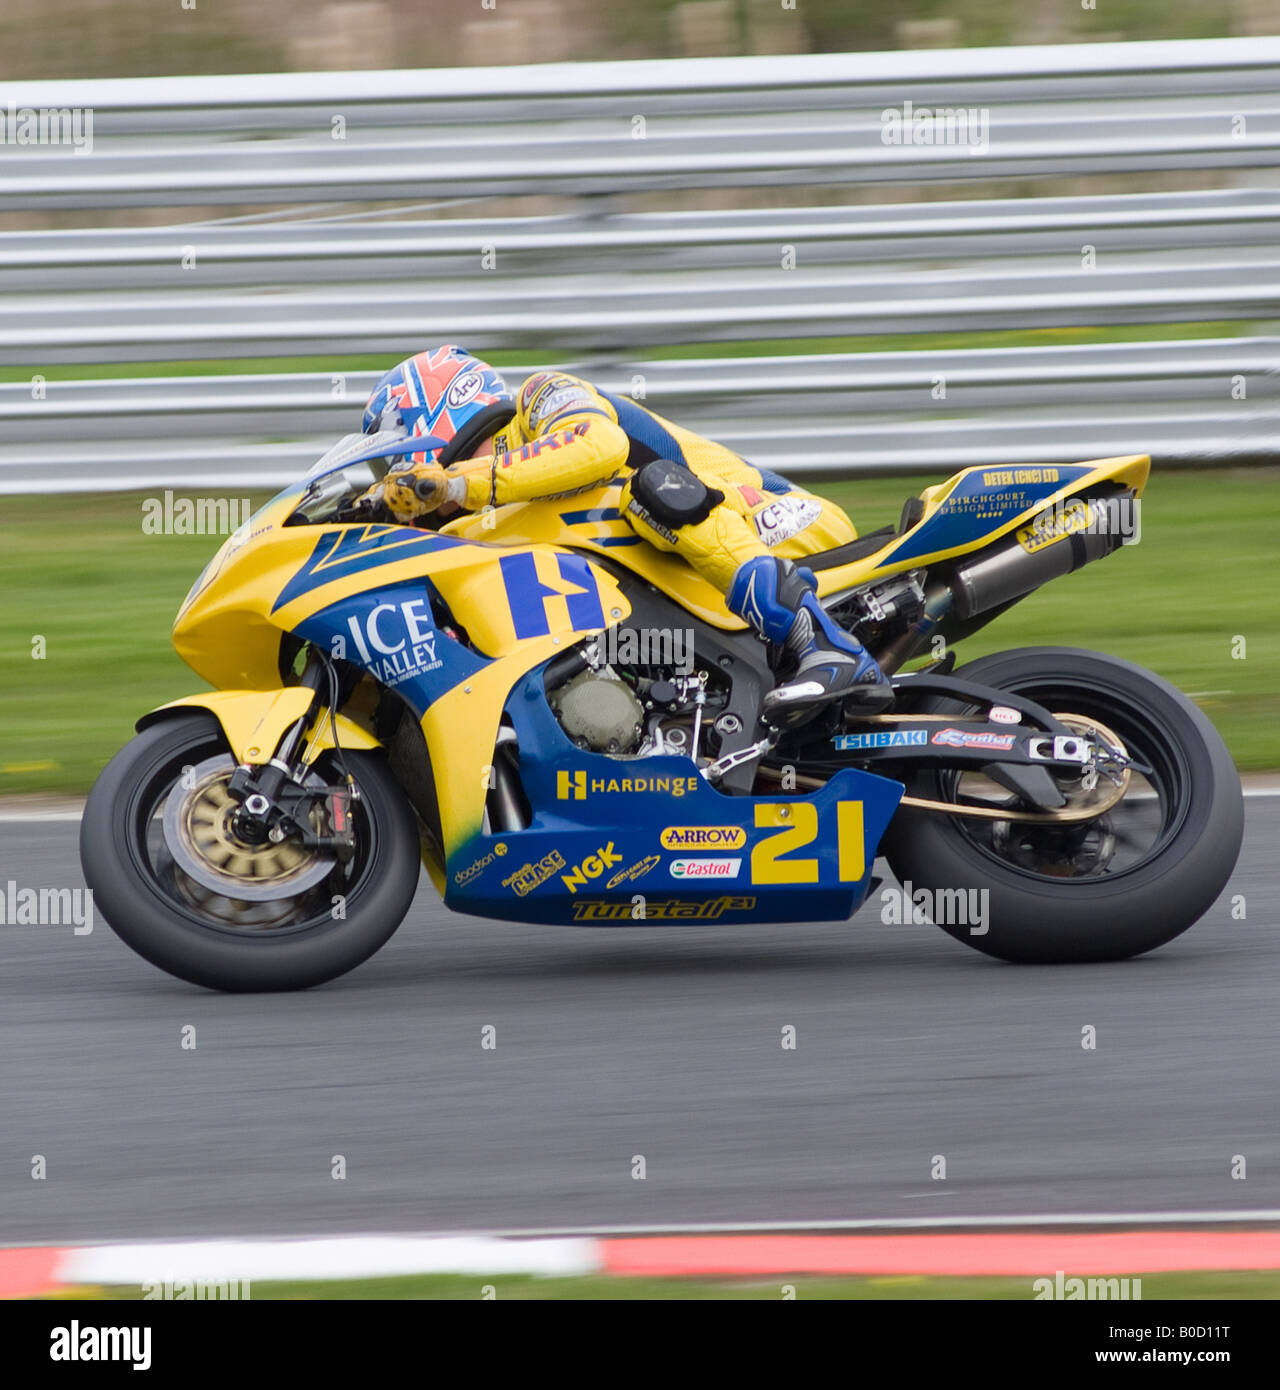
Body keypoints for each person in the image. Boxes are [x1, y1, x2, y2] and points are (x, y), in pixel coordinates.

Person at [353, 345, 893, 727]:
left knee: (646, 491)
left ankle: (822, 642)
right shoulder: (475, 522)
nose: (395, 486)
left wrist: (454, 482)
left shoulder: (541, 397)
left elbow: (600, 445)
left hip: (785, 523)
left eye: (392, 467)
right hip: (688, 590)